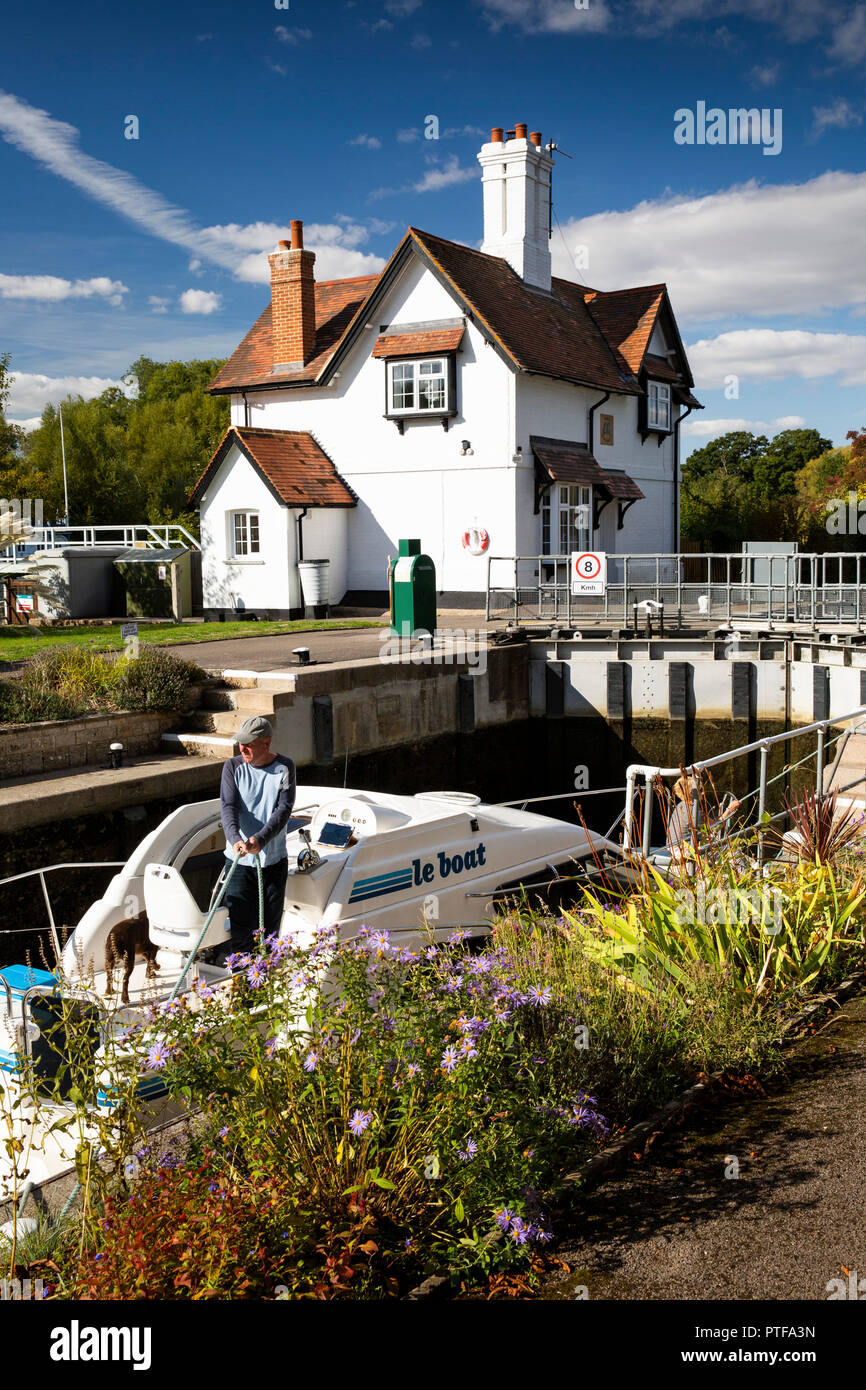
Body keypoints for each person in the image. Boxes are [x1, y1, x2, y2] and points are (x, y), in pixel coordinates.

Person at [219, 715, 296, 957]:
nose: (243, 748)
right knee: (242, 934)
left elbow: (283, 810)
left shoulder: (285, 767)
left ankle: (266, 986)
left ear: (266, 743)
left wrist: (260, 840)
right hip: (239, 863)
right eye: (241, 743)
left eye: (249, 743)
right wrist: (236, 839)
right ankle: (244, 991)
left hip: (272, 863)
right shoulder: (232, 767)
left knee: (270, 934)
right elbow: (228, 807)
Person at [666, 771, 740, 875]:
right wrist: (730, 809)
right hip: (687, 853)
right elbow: (716, 826)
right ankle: (745, 877)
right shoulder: (694, 812)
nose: (703, 792)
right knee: (732, 849)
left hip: (674, 850)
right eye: (700, 790)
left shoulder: (681, 806)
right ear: (692, 793)